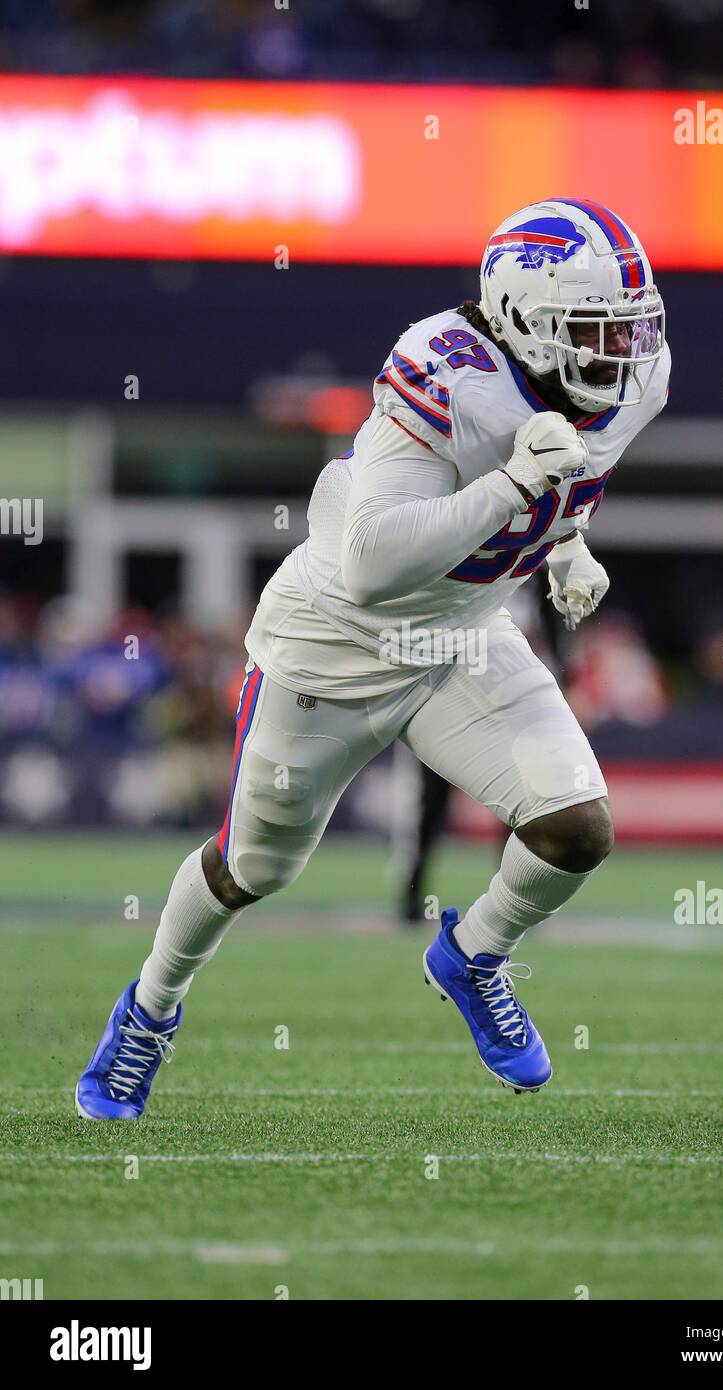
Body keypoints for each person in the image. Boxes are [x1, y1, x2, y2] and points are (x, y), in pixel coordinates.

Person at [76, 197, 670, 1114]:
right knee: (253, 869)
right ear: (521, 320)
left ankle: (473, 956)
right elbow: (372, 564)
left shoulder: (637, 380)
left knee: (575, 828)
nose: (620, 356)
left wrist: (567, 541)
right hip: (337, 643)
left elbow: (573, 475)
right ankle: (149, 1011)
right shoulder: (447, 370)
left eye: (631, 331)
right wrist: (516, 483)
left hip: (459, 636)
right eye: (595, 332)